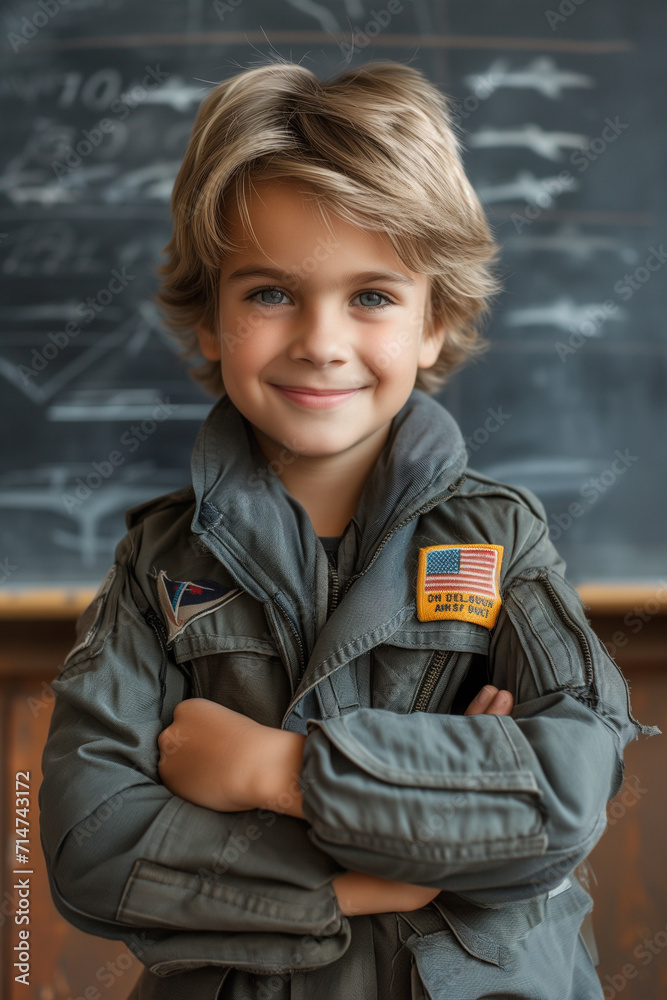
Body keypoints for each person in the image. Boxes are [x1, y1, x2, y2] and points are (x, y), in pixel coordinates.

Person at [39, 59, 658, 1000]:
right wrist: (381, 868)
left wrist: (274, 772)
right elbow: (95, 846)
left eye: (371, 295)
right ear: (209, 317)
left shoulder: (498, 541)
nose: (320, 341)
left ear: (433, 321)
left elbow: (561, 798)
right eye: (269, 293)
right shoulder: (158, 566)